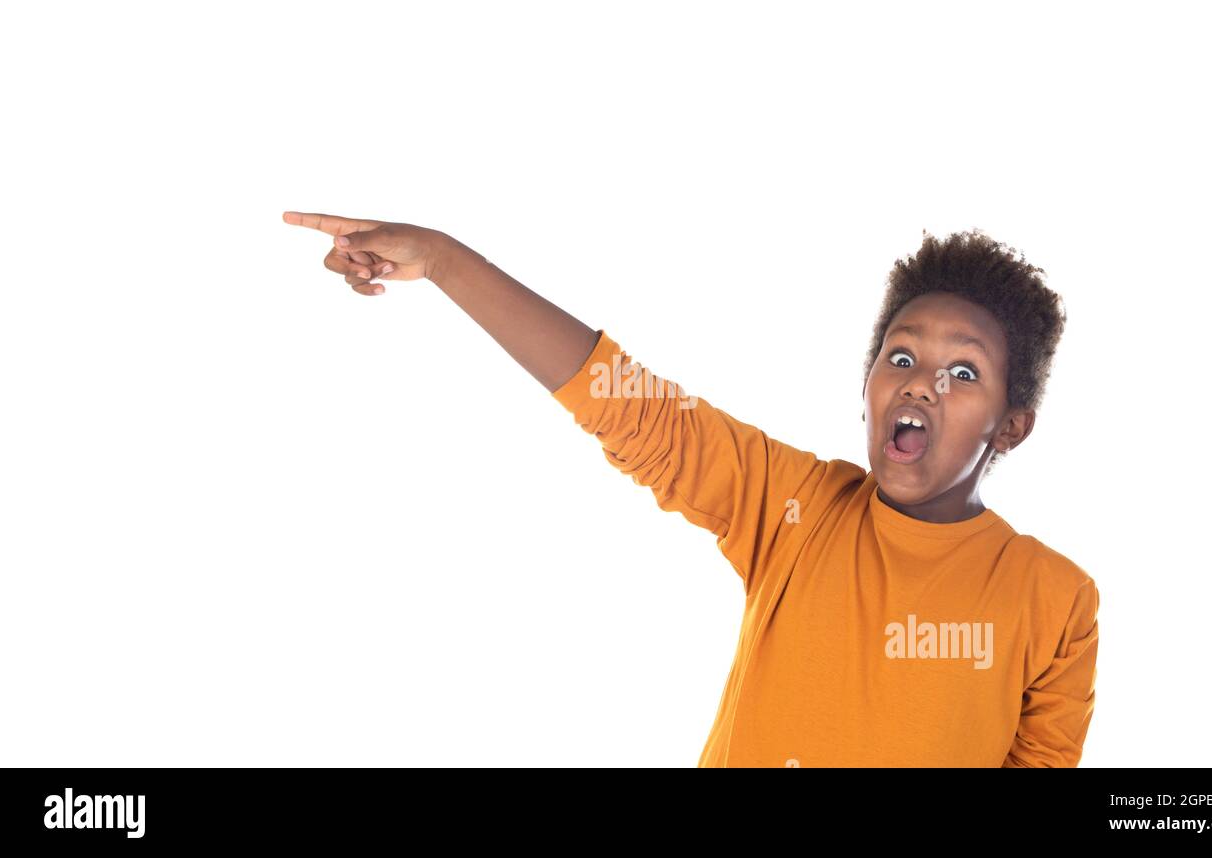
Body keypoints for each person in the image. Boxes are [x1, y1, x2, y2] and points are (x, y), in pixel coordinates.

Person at [282, 212, 1099, 767]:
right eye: (901, 356)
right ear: (868, 387)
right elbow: (634, 405)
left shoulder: (1055, 599)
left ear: (1009, 426)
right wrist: (447, 259)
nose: (921, 384)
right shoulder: (798, 507)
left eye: (963, 373)